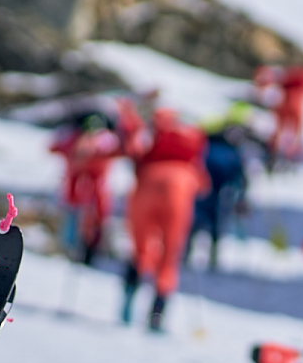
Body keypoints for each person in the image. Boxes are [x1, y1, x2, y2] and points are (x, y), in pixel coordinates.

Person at [119, 102, 207, 332]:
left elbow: (133, 150)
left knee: (140, 248)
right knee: (170, 253)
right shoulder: (194, 137)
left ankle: (127, 303)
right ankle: (157, 313)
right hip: (180, 188)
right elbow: (204, 183)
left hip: (146, 185)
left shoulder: (152, 131)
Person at [46, 110, 121, 265]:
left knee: (91, 226)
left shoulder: (103, 141)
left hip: (93, 195)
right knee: (73, 225)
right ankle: (74, 251)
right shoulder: (75, 139)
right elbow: (53, 147)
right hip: (77, 195)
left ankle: (88, 252)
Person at [192, 109, 256, 273]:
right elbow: (240, 177)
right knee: (206, 220)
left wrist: (241, 195)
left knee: (204, 220)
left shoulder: (210, 145)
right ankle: (200, 254)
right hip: (210, 190)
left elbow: (240, 177)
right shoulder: (230, 150)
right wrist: (241, 197)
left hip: (211, 190)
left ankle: (204, 255)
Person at [253, 61, 303, 168]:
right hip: (294, 109)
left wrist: (262, 85)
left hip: (282, 107)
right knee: (294, 133)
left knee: (281, 131)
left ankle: (275, 153)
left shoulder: (292, 74)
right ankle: (289, 156)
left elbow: (273, 79)